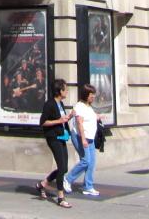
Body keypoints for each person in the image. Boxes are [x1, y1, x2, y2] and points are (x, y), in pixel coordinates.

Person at [35, 78, 74, 209]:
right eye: (65, 89)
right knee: (61, 167)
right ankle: (61, 197)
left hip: (62, 137)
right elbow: (43, 122)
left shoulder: (60, 104)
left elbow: (61, 120)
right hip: (53, 138)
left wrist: (69, 117)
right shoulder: (49, 104)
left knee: (65, 168)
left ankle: (42, 184)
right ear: (59, 91)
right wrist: (58, 121)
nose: (67, 91)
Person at [64, 83, 100, 197]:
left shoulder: (88, 106)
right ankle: (67, 179)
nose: (93, 97)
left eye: (94, 95)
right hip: (80, 137)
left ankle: (88, 186)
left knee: (92, 162)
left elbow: (90, 118)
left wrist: (97, 117)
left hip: (90, 138)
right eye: (91, 95)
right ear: (86, 95)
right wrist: (83, 139)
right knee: (85, 161)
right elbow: (79, 123)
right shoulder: (79, 106)